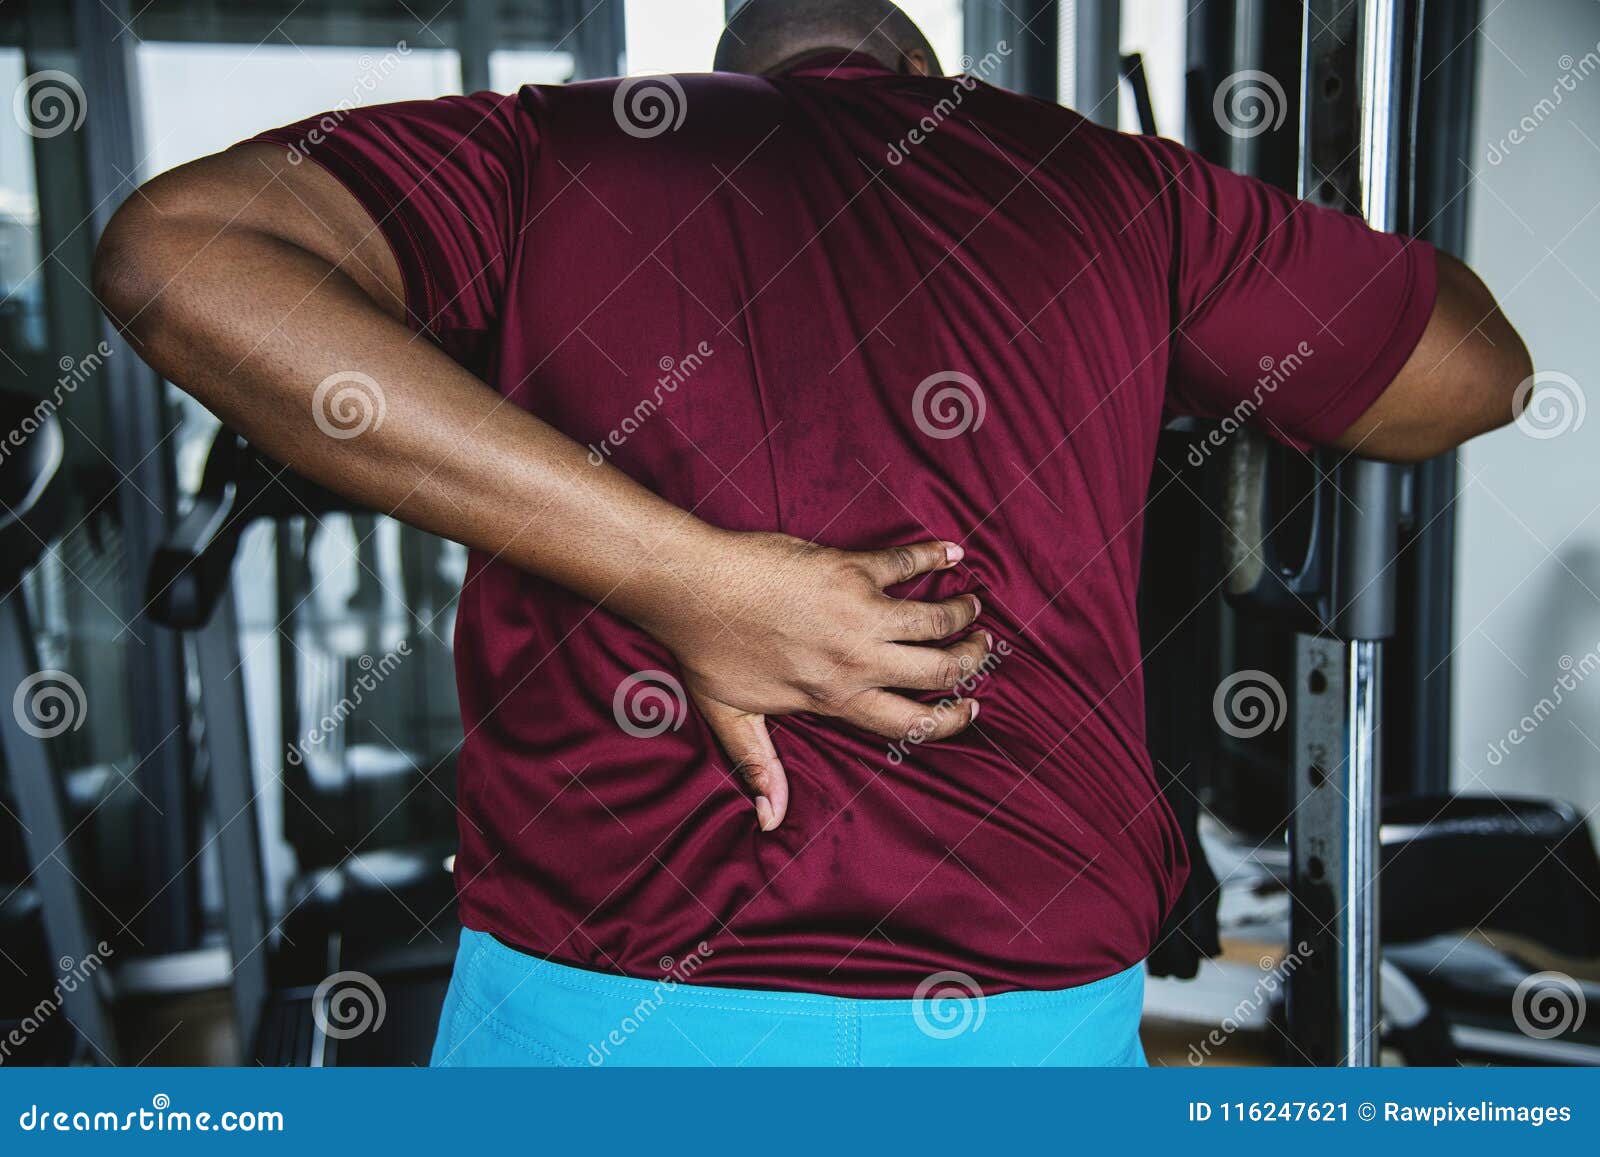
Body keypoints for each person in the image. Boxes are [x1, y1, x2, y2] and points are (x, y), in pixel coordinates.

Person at [93, 0, 1530, 1066]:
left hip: (602, 1010)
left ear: (731, 68)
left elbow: (175, 252)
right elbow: (1483, 370)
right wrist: (706, 582)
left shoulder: (568, 144)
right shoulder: (1113, 185)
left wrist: (675, 570)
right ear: (922, 72)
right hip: (1022, 1025)